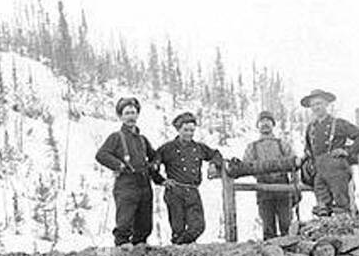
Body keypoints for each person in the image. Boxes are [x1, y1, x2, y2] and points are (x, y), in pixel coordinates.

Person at [94, 96, 163, 246]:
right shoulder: (116, 137)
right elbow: (101, 155)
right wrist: (119, 165)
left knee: (144, 225)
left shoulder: (142, 139)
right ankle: (122, 254)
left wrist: (155, 164)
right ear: (120, 116)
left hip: (144, 184)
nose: (131, 116)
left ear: (137, 114)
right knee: (124, 222)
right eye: (127, 113)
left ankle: (140, 253)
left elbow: (155, 155)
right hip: (126, 184)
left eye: (133, 113)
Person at [155, 111, 225, 244]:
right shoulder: (167, 148)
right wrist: (162, 180)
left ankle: (179, 246)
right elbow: (153, 165)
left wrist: (213, 164)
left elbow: (216, 154)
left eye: (192, 130)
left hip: (192, 191)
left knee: (198, 226)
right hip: (175, 191)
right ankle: (180, 252)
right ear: (178, 129)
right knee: (178, 228)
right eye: (185, 130)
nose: (189, 133)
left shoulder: (199, 148)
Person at [301, 89, 359, 217]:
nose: (316, 107)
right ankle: (326, 234)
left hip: (337, 170)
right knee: (322, 208)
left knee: (342, 206)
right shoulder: (310, 128)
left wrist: (347, 151)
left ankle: (348, 230)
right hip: (319, 172)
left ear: (326, 104)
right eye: (313, 105)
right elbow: (308, 150)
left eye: (319, 103)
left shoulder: (338, 124)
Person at [240, 110, 299, 239]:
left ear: (273, 125)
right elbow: (245, 166)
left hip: (283, 187)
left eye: (268, 121)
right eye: (262, 122)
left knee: (286, 225)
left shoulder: (282, 144)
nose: (265, 124)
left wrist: (296, 189)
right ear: (257, 125)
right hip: (263, 189)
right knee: (268, 228)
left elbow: (294, 165)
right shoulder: (252, 147)